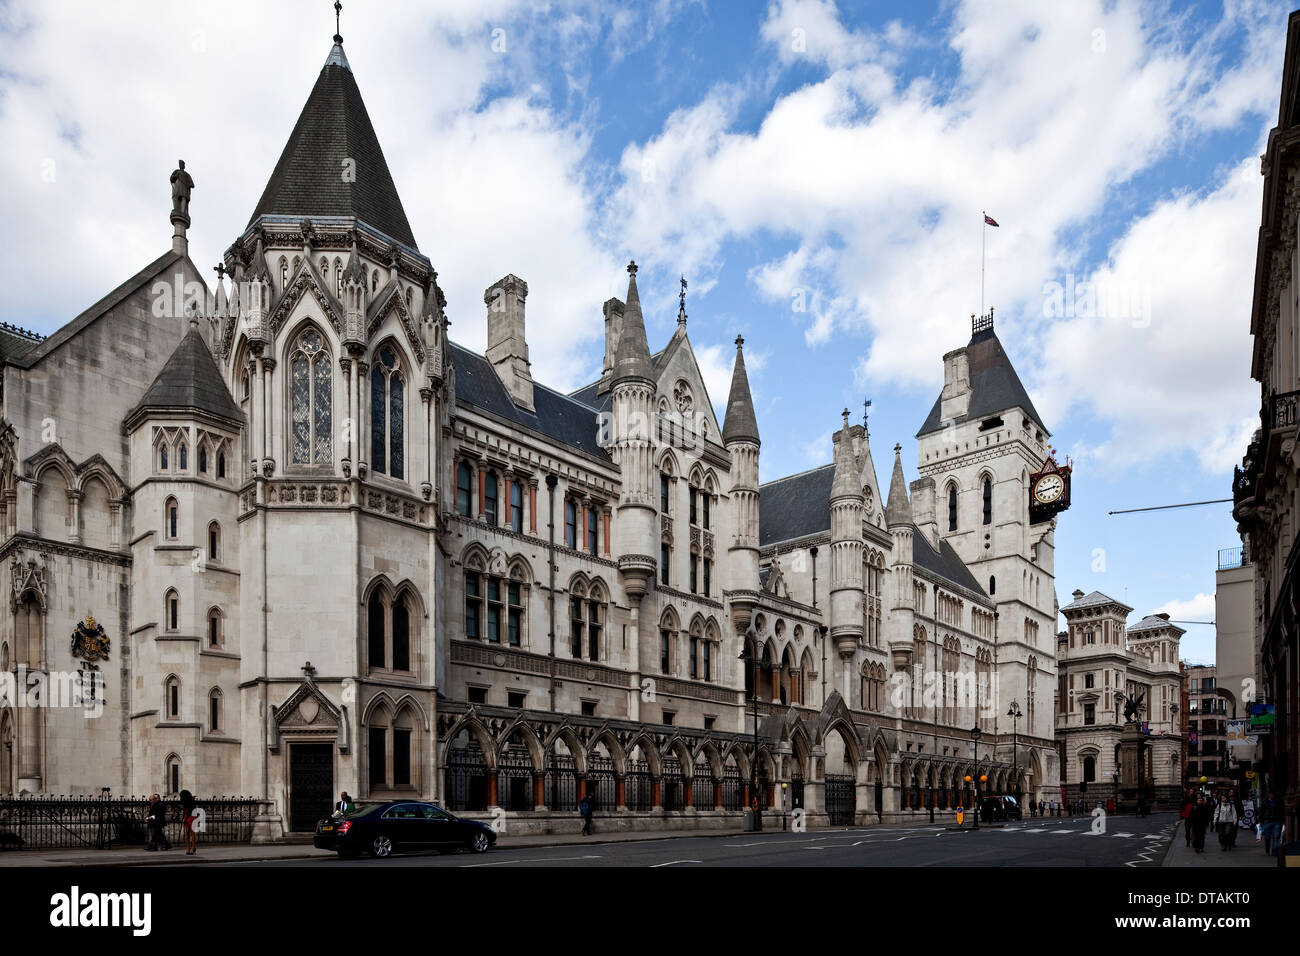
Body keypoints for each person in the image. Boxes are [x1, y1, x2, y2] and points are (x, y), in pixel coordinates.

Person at [1258, 791, 1281, 855]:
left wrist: (1281, 820)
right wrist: (1260, 821)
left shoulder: (1278, 802)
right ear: (1268, 795)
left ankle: (1274, 851)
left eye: (1272, 794)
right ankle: (1267, 846)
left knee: (1275, 837)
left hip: (1276, 821)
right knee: (1267, 837)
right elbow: (1261, 812)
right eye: (1270, 794)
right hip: (1267, 821)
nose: (1271, 795)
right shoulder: (1264, 802)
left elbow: (1281, 811)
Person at [180, 789, 198, 855]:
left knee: (189, 833)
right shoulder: (187, 800)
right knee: (189, 833)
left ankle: (191, 848)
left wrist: (184, 817)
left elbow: (188, 810)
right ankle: (190, 848)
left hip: (190, 817)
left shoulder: (190, 800)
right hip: (191, 817)